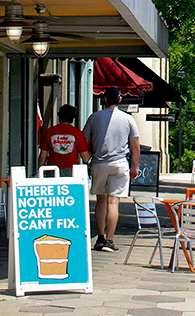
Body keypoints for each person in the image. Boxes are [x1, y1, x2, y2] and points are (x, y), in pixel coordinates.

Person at [83, 87, 140, 252]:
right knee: (114, 201)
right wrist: (135, 166)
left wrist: (88, 161)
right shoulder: (128, 119)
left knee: (101, 200)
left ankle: (99, 237)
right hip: (120, 163)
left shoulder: (94, 117)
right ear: (120, 100)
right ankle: (110, 239)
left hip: (99, 162)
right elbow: (135, 145)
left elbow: (85, 140)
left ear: (105, 99)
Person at [38, 104, 91, 176]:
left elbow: (42, 156)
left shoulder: (49, 132)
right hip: (71, 170)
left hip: (52, 169)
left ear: (60, 116)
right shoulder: (78, 134)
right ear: (72, 118)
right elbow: (85, 158)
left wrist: (40, 170)